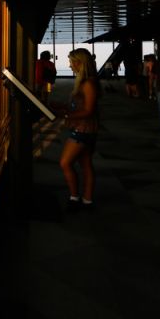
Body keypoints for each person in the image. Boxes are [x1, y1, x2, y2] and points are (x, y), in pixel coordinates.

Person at [51, 48, 100, 211]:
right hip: (86, 129)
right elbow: (77, 105)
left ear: (80, 63)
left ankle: (74, 197)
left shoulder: (88, 84)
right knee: (86, 164)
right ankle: (87, 200)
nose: (70, 65)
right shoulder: (85, 82)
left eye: (71, 62)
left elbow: (88, 110)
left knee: (65, 163)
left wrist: (65, 115)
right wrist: (59, 107)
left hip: (83, 130)